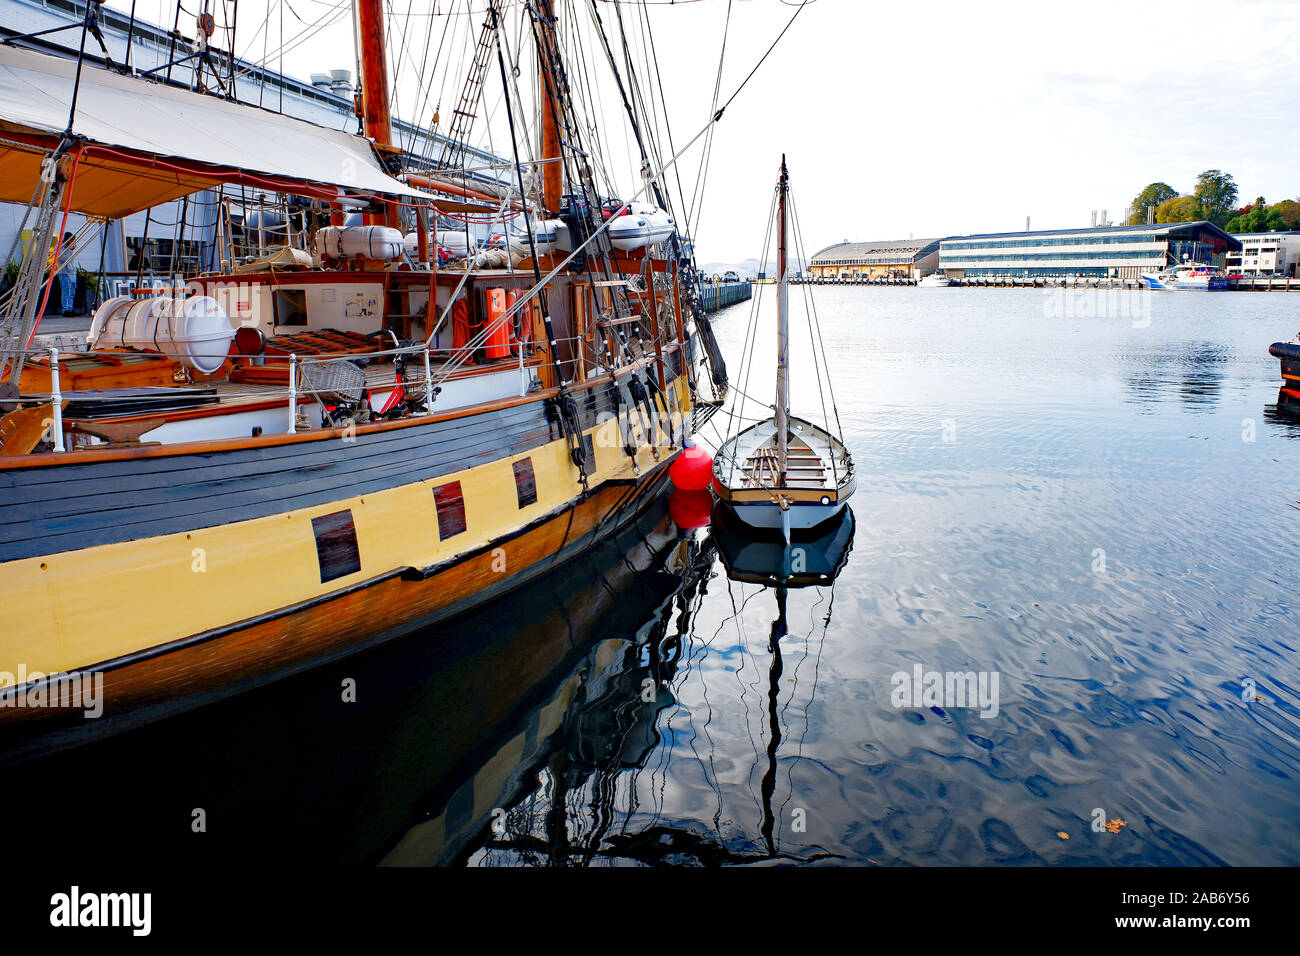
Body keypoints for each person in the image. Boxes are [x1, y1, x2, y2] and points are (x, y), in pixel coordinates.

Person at [52, 232, 77, 316]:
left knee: (72, 292)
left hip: (72, 272)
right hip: (64, 273)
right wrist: (70, 250)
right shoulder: (60, 248)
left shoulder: (69, 249)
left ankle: (70, 308)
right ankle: (65, 310)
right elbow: (63, 258)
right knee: (67, 291)